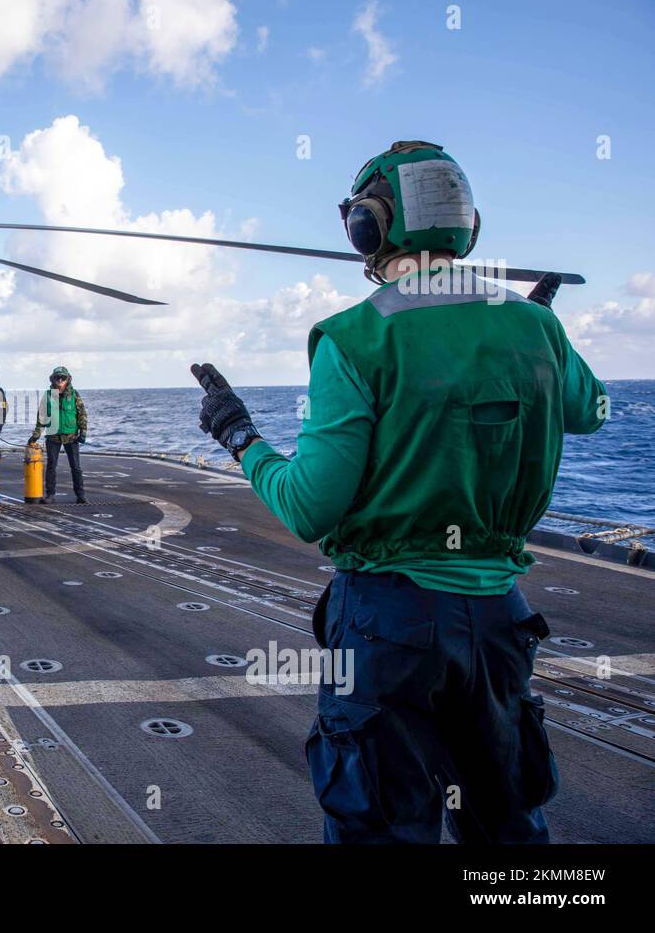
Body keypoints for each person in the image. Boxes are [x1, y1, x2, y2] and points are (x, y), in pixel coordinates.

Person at [193, 140, 607, 844]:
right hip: (501, 622)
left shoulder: (354, 339)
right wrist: (541, 340)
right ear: (466, 227)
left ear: (369, 227)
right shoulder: (537, 328)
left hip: (390, 624)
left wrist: (240, 436)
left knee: (383, 825)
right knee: (506, 824)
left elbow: (308, 507)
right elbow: (589, 412)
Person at [28, 365, 88, 504]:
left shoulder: (74, 395)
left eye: (63, 378)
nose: (60, 380)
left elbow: (82, 414)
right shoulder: (48, 396)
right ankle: (50, 495)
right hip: (53, 436)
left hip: (71, 436)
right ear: (53, 379)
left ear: (68, 380)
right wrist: (36, 435)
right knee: (51, 465)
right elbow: (41, 418)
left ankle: (81, 495)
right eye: (57, 378)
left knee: (76, 466)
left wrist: (83, 432)